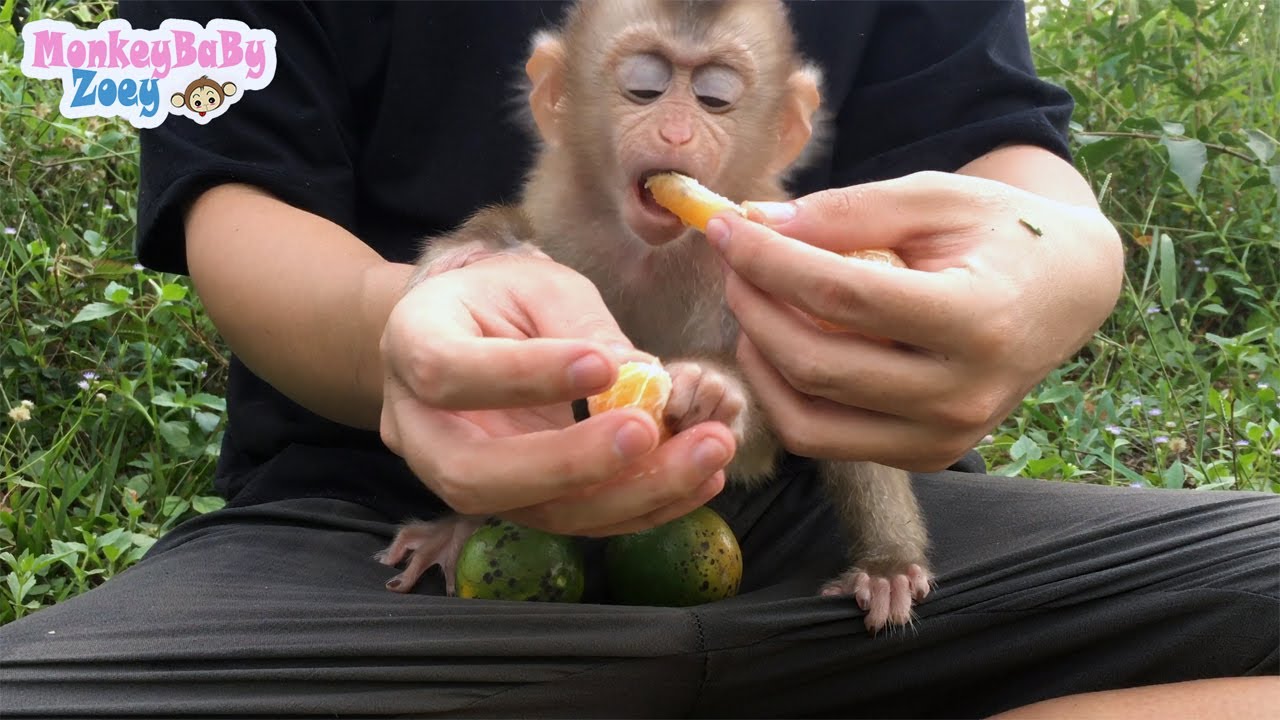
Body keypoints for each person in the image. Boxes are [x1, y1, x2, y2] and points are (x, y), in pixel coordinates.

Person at [2, 1, 1275, 717]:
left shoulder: (768, 228)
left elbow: (1001, 148)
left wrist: (1060, 255)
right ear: (555, 97)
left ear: (786, 122)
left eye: (712, 99)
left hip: (812, 538)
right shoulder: (538, 212)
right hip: (371, 540)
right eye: (645, 89)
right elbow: (236, 190)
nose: (674, 132)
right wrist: (411, 323)